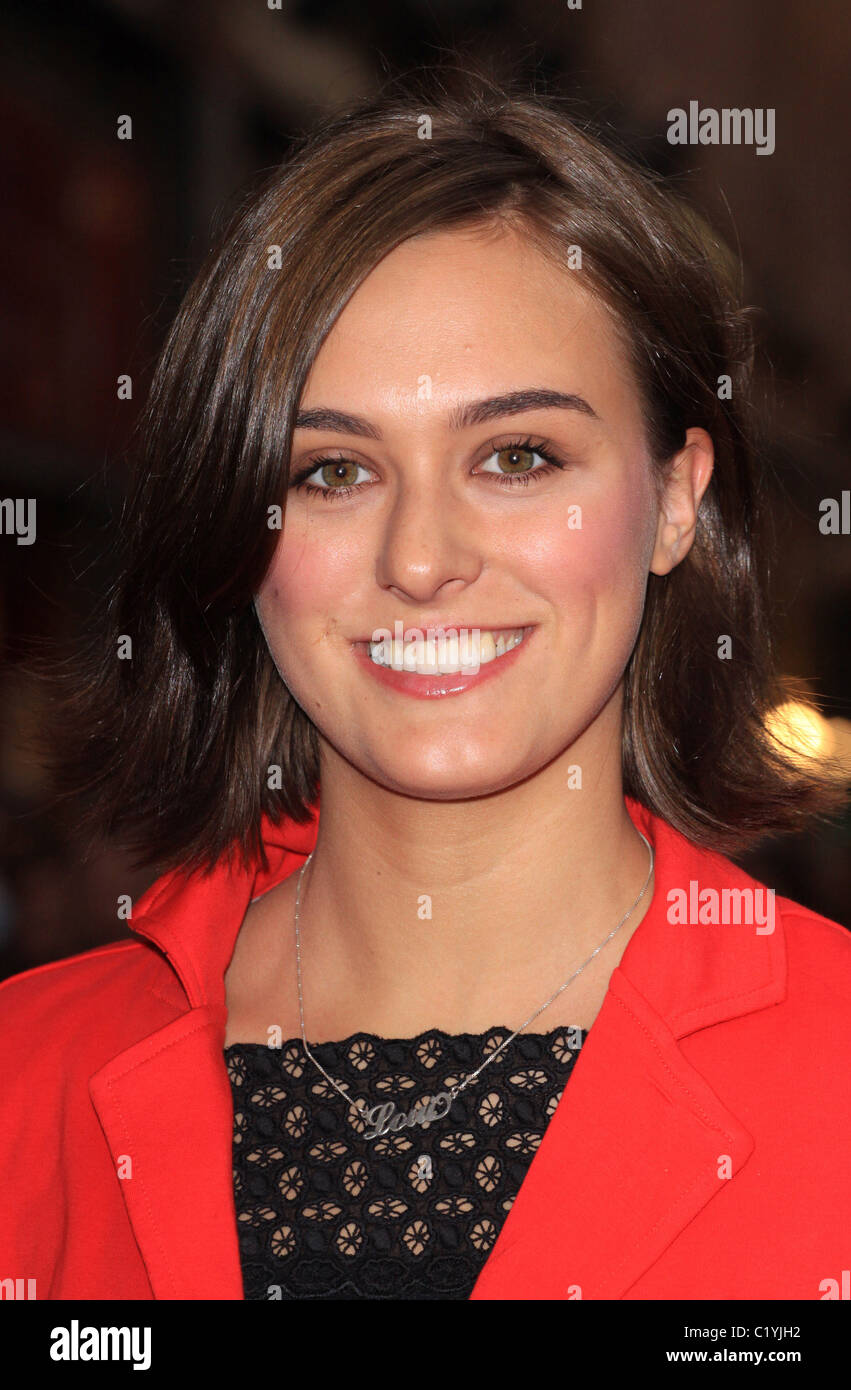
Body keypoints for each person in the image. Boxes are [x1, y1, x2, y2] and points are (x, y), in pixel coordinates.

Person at [2, 66, 849, 1302]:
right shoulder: (26, 1078)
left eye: (516, 455)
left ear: (673, 500)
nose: (419, 559)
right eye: (334, 471)